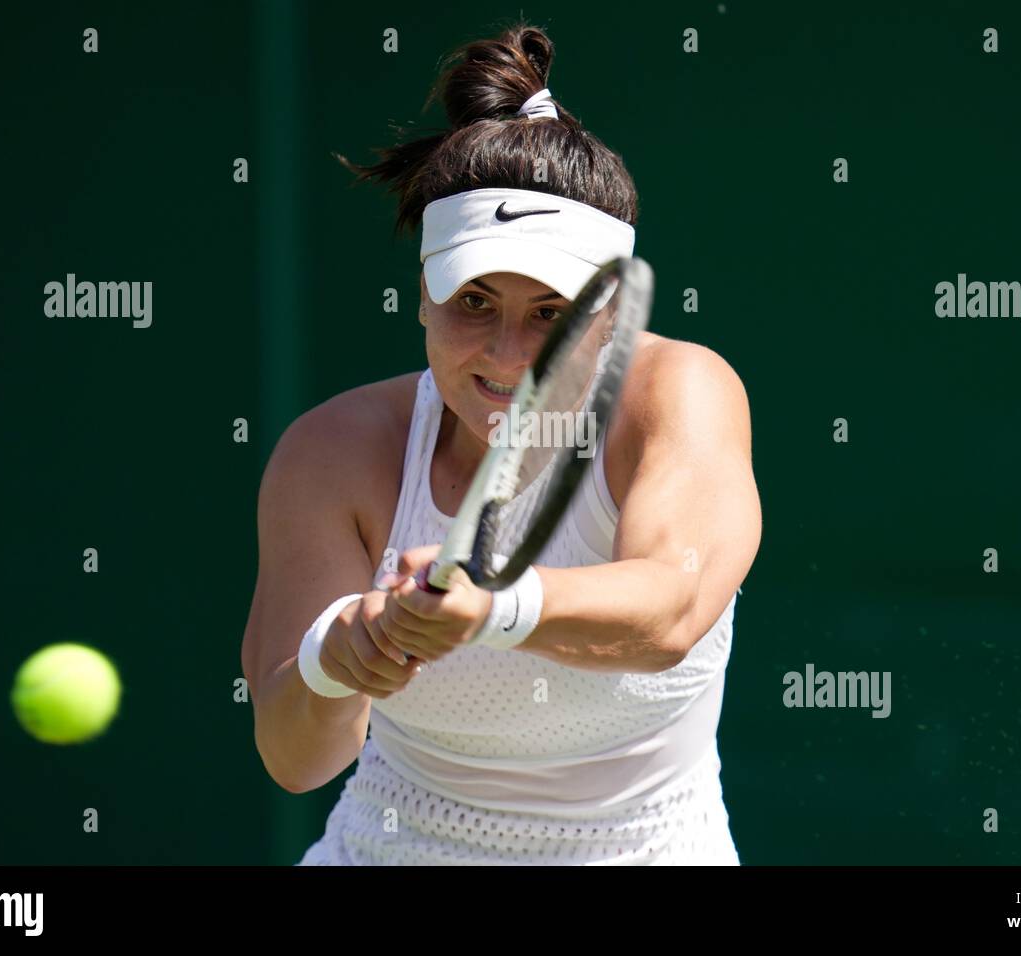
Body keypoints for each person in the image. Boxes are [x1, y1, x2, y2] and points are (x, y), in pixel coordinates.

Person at [241, 23, 762, 865]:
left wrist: (493, 605)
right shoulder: (333, 451)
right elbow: (297, 758)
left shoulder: (680, 393)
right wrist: (340, 658)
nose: (509, 356)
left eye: (552, 315)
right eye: (474, 302)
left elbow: (672, 608)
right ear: (422, 296)